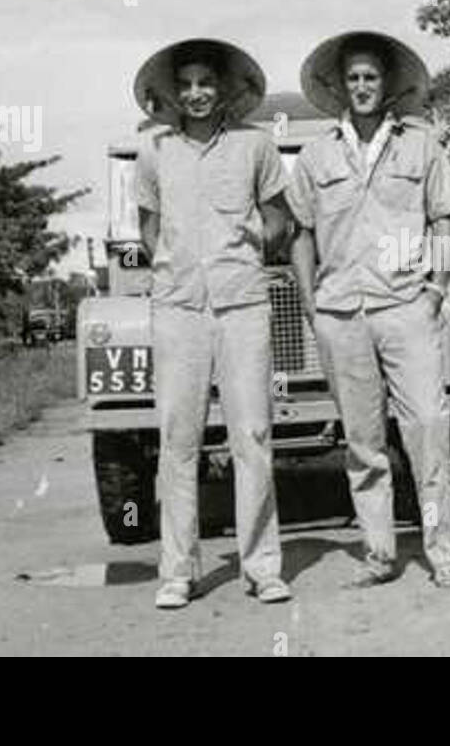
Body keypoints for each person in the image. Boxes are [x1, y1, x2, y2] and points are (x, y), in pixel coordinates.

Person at [286, 30, 450, 588]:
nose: (362, 87)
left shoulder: (421, 144)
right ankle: (379, 555)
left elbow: (447, 218)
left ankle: (444, 555)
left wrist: (437, 287)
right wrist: (311, 303)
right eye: (353, 78)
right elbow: (300, 232)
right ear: (340, 86)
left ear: (386, 85)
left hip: (406, 306)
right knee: (363, 443)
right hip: (341, 311)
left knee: (428, 432)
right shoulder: (317, 154)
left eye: (371, 77)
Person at [133, 38, 292, 609]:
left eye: (207, 83)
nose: (197, 94)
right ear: (174, 93)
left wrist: (247, 246)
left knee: (252, 436)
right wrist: (174, 269)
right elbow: (150, 228)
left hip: (243, 305)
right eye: (187, 84)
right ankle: (177, 571)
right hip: (178, 309)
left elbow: (279, 219)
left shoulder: (257, 145)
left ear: (224, 90)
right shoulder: (153, 151)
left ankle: (263, 567)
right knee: (179, 440)